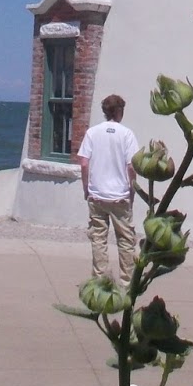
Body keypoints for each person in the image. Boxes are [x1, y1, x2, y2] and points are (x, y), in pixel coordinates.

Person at [77, 94, 139, 286]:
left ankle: (101, 280)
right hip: (119, 196)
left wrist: (86, 188)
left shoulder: (92, 133)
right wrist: (132, 189)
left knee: (98, 239)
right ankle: (127, 281)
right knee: (126, 240)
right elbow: (131, 166)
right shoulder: (127, 134)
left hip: (97, 195)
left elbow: (84, 163)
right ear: (120, 111)